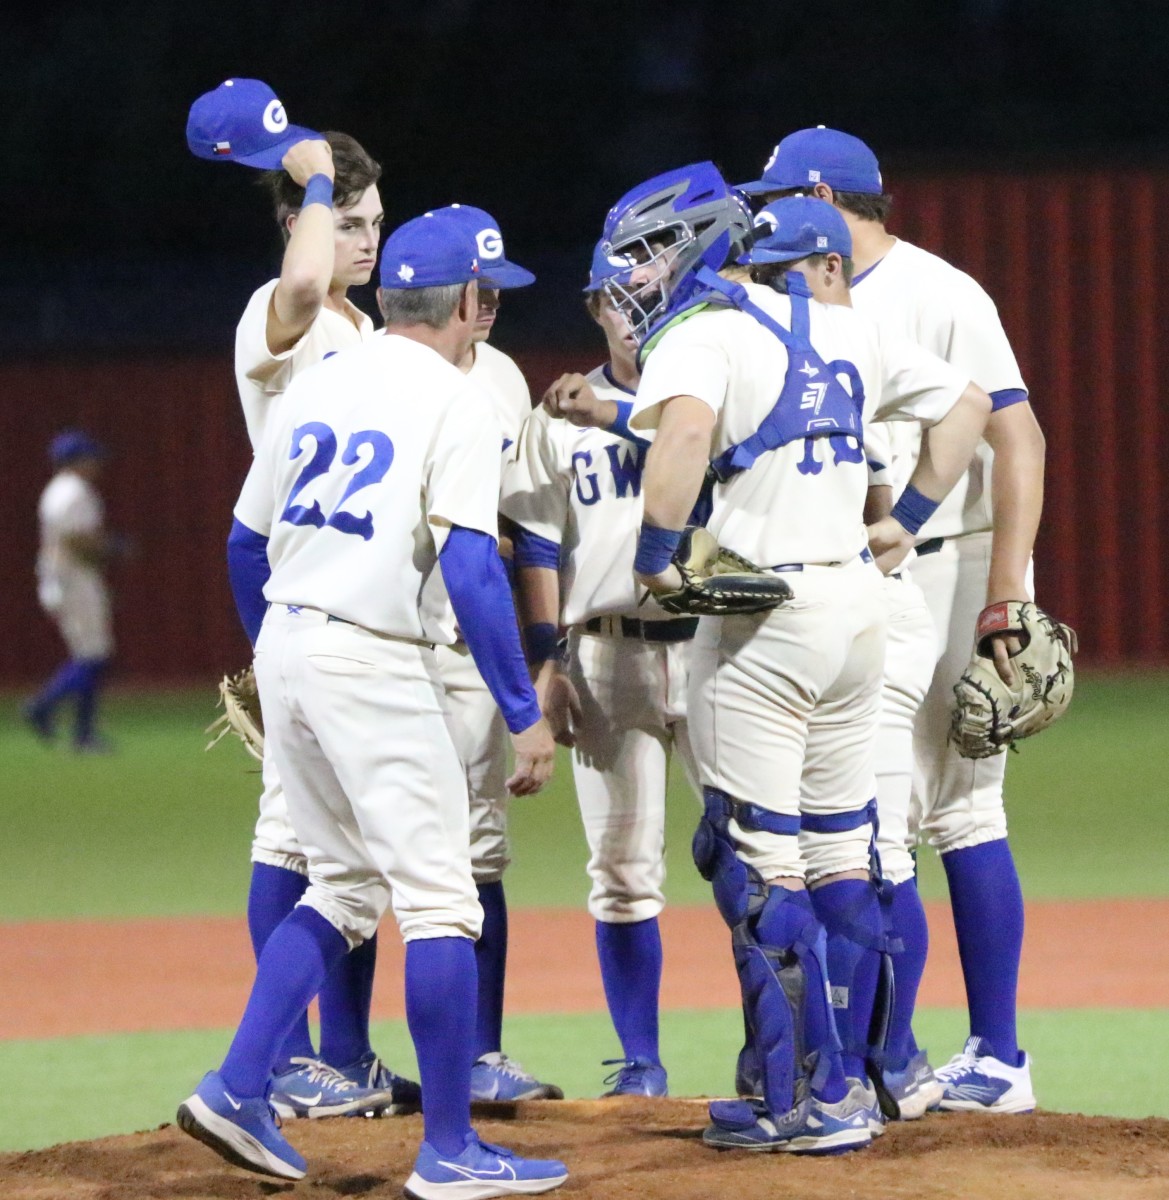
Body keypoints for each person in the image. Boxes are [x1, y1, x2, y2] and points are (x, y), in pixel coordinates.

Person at [177, 210, 568, 1199]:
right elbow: (472, 568)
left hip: (292, 641)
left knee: (343, 886)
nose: (492, 309)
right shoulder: (458, 398)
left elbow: (243, 543)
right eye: (490, 294)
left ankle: (238, 1086)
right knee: (440, 900)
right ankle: (450, 1150)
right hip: (373, 658)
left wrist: (273, 656)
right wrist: (521, 708)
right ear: (469, 301)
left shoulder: (321, 379)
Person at [610, 166, 991, 1153]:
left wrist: (653, 558)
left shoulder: (705, 333)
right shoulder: (847, 326)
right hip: (857, 608)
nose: (637, 278)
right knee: (839, 853)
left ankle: (798, 1102)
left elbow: (684, 433)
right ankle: (856, 1080)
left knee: (754, 862)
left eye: (650, 257)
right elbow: (969, 404)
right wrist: (906, 519)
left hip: (762, 618)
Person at [740, 126, 1046, 1113]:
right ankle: (893, 1057)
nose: (763, 216)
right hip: (857, 572)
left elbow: (1017, 437)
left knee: (947, 814)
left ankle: (973, 1056)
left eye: (778, 197)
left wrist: (1005, 593)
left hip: (945, 564)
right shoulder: (794, 293)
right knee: (877, 824)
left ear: (825, 197)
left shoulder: (937, 291)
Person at [187, 77, 413, 1118]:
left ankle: (347, 1056)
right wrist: (315, 179)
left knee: (351, 847)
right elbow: (306, 280)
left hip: (358, 601)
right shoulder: (280, 310)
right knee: (293, 838)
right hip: (301, 598)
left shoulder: (361, 328)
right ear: (299, 225)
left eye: (374, 220)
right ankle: (279, 1065)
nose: (367, 239)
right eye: (348, 221)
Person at [499, 244, 697, 1097]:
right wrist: (547, 663)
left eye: (649, 292)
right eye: (618, 296)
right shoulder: (554, 418)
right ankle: (640, 1063)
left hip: (716, 646)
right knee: (620, 872)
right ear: (593, 308)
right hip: (605, 652)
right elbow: (538, 545)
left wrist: (609, 414)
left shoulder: (709, 397)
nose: (633, 311)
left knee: (757, 855)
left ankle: (777, 1051)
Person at [425, 204, 561, 1103]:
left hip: (468, 646)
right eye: (481, 289)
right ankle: (335, 1057)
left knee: (480, 854)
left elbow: (524, 522)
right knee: (348, 865)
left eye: (498, 289)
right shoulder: (381, 374)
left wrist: (542, 655)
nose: (493, 303)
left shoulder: (504, 377)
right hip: (388, 643)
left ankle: (480, 1057)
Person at [26, 431, 118, 752]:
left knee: (90, 655)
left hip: (61, 578)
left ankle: (79, 729)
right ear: (76, 460)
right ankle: (47, 708)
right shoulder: (74, 491)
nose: (95, 463)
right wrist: (111, 549)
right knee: (93, 656)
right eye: (89, 458)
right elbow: (77, 540)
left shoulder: (55, 490)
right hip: (74, 579)